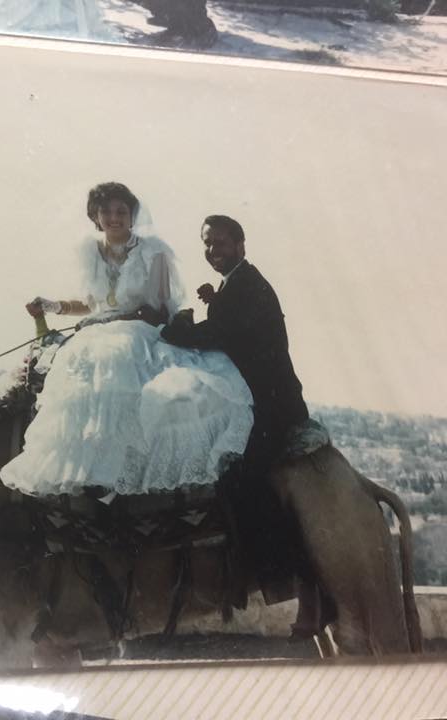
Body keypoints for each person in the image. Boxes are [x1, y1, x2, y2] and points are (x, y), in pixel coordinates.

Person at [0, 183, 254, 498]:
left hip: (141, 331)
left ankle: (121, 481)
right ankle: (90, 479)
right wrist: (52, 306)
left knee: (115, 362)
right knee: (80, 373)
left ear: (132, 216)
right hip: (98, 331)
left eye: (121, 211)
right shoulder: (88, 252)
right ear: (95, 216)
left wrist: (118, 319)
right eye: (106, 211)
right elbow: (91, 303)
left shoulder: (154, 251)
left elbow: (160, 310)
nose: (114, 218)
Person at [159, 214, 310, 605]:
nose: (212, 251)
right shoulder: (237, 283)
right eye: (207, 244)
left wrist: (175, 331)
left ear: (241, 245)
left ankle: (281, 574)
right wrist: (216, 299)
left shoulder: (248, 285)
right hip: (256, 398)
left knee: (242, 475)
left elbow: (219, 334)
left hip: (271, 405)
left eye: (220, 243)